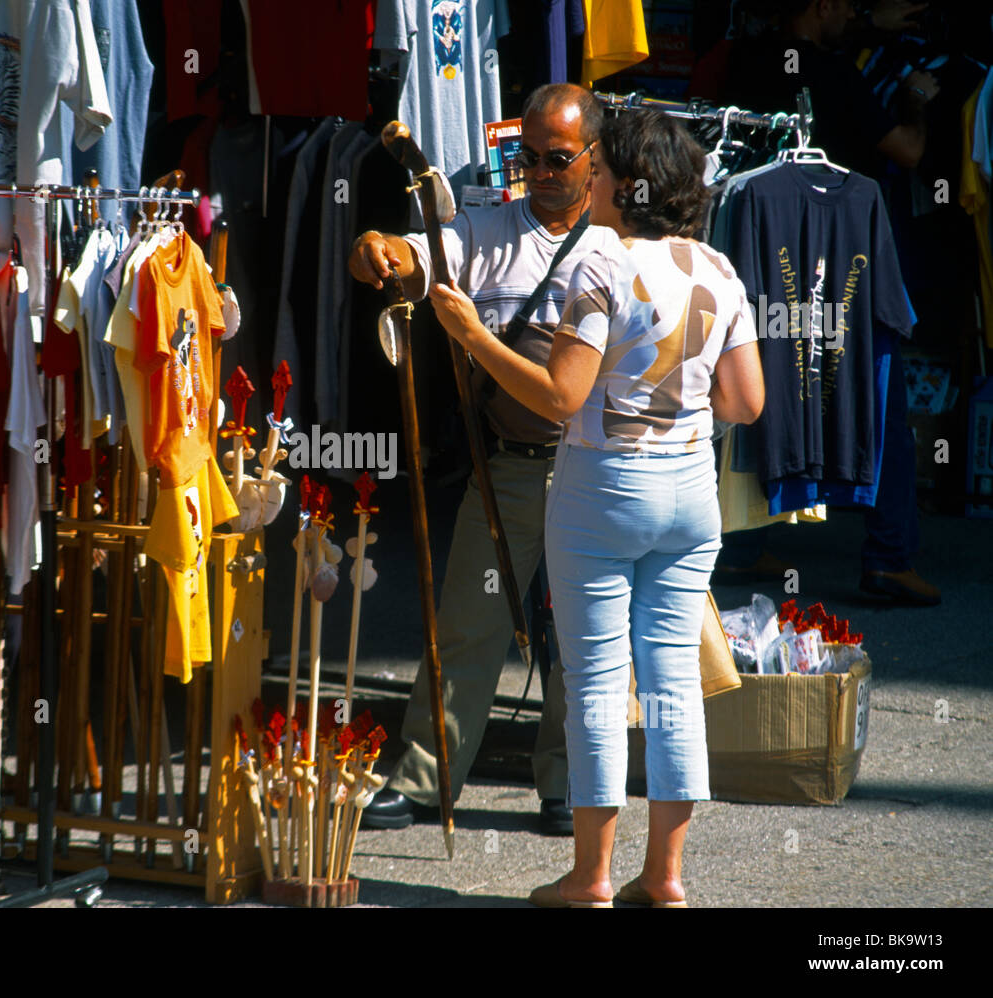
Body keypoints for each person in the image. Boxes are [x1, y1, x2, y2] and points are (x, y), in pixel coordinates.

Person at [429, 109, 765, 906]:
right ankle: (668, 877)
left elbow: (560, 396)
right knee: (673, 680)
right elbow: (745, 402)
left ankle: (590, 878)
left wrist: (475, 337)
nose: (594, 185)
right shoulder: (717, 268)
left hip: (603, 488)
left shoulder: (601, 265)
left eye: (604, 173)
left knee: (597, 681)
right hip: (688, 492)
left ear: (629, 184)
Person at [346, 83, 608, 835]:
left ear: (594, 159)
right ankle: (427, 775)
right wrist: (380, 251)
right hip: (512, 468)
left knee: (585, 637)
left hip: (595, 468)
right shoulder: (487, 230)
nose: (541, 171)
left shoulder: (615, 243)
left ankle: (572, 783)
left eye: (558, 158)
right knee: (467, 620)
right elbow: (418, 253)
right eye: (527, 157)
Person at [717, 0, 941, 604]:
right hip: (842, 254)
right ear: (820, 5)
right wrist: (917, 99)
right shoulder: (838, 75)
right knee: (875, 388)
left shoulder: (748, 60)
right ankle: (889, 556)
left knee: (759, 379)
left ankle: (735, 544)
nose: (854, 13)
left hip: (759, 243)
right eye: (847, 4)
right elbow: (910, 151)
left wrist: (872, 26)